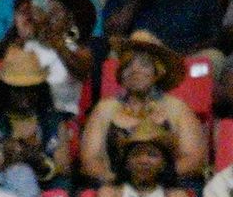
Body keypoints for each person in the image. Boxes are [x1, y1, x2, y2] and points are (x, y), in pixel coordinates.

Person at [80, 31, 205, 187]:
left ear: (157, 71)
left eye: (144, 64)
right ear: (121, 73)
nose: (135, 70)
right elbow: (90, 160)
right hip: (116, 190)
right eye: (127, 65)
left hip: (166, 189)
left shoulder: (177, 108)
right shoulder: (105, 109)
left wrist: (154, 181)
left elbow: (194, 158)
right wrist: (120, 183)